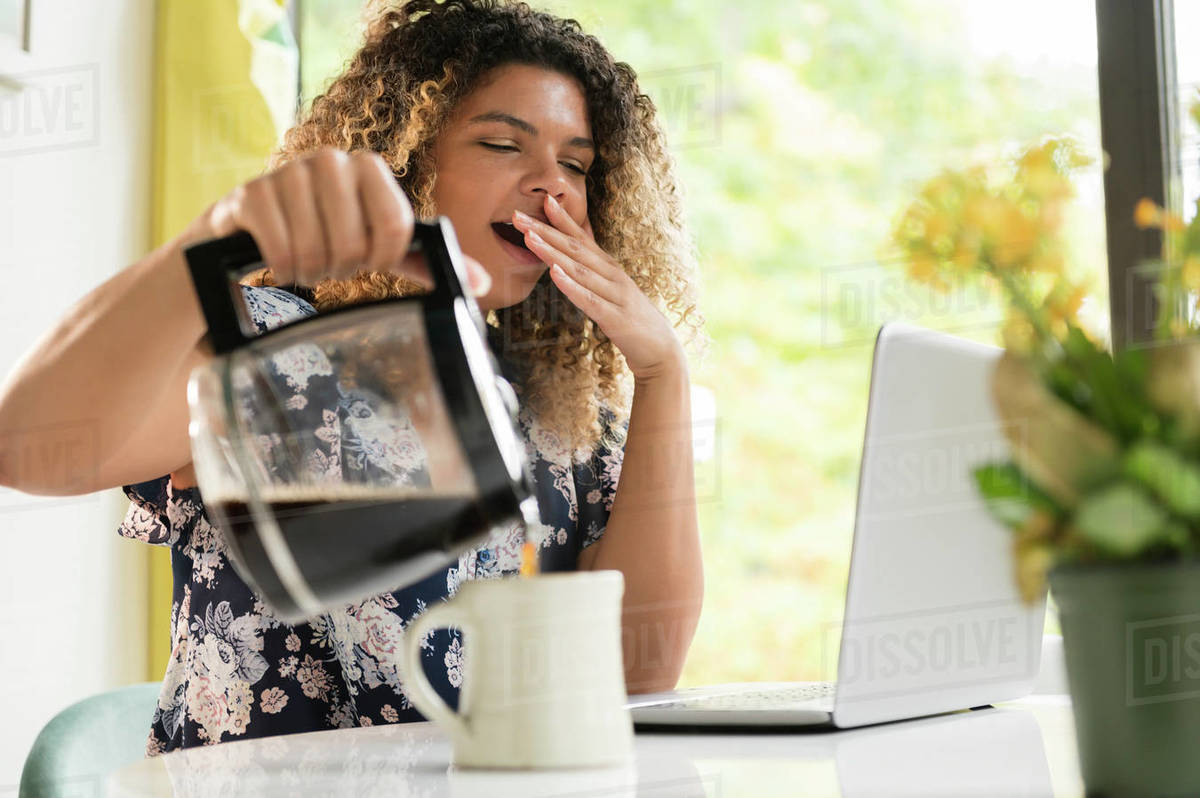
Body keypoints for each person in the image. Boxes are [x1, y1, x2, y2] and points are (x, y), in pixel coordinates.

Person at [0, 0, 704, 754]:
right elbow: (32, 449)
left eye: (576, 164)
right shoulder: (268, 346)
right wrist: (211, 245)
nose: (553, 187)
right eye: (504, 144)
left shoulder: (564, 414)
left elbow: (637, 678)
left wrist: (664, 372)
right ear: (407, 158)